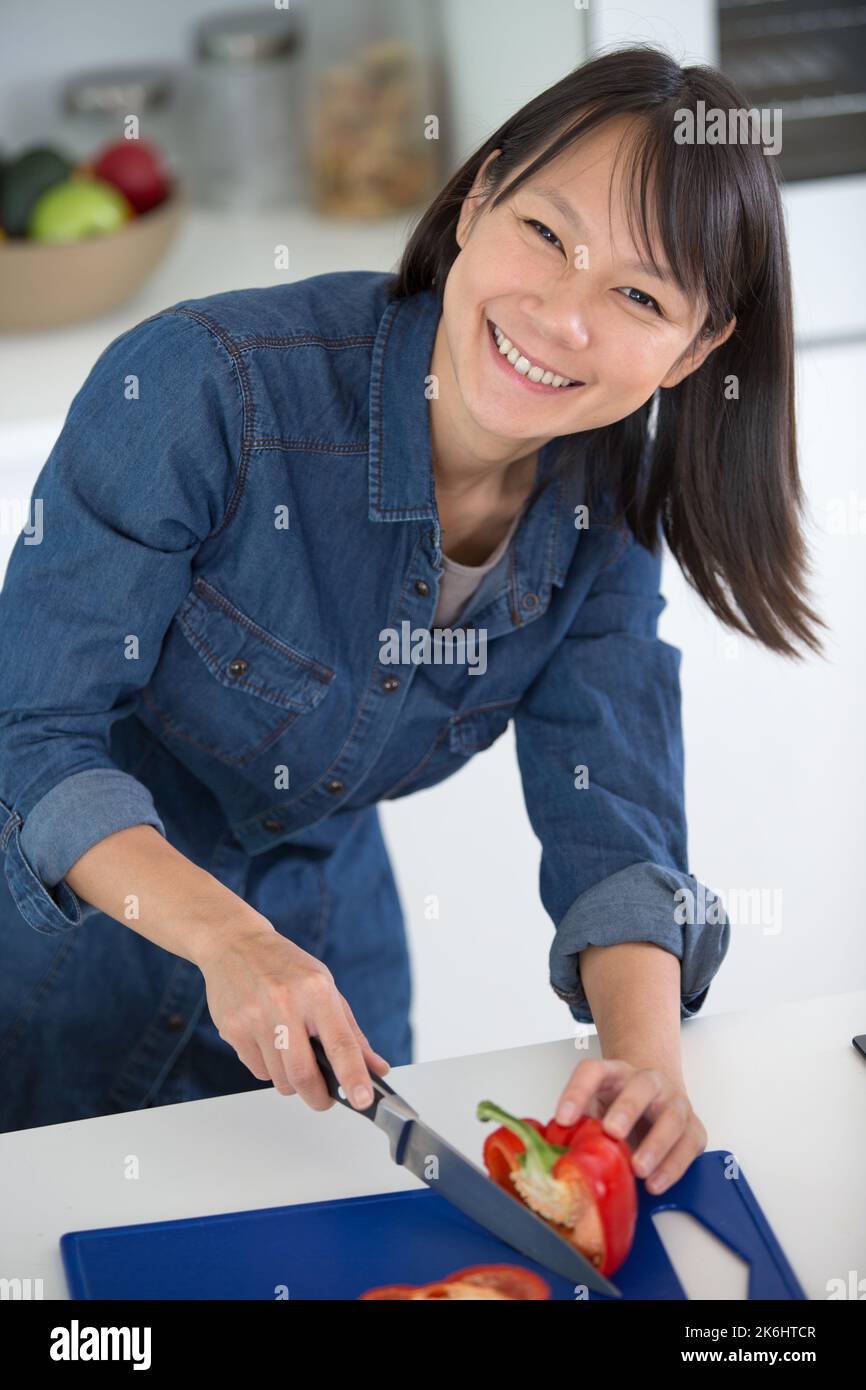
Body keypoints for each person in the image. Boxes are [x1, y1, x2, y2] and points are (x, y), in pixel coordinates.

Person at [0, 46, 824, 1199]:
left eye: (637, 296)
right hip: (55, 961)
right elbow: (28, 739)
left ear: (694, 351)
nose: (557, 317)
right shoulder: (207, 383)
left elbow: (612, 819)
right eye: (544, 233)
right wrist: (231, 941)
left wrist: (640, 1064)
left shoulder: (610, 495)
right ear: (478, 195)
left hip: (333, 949)